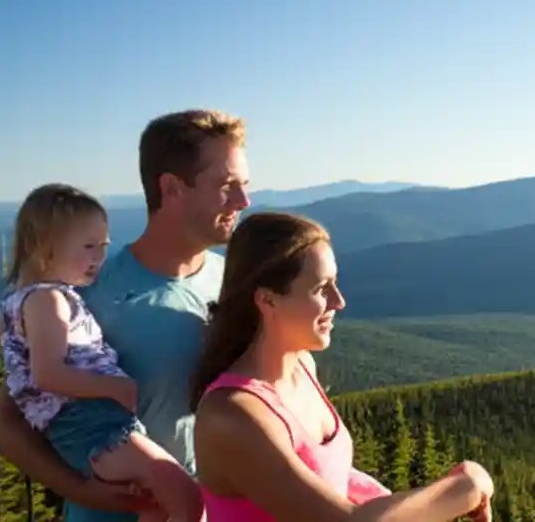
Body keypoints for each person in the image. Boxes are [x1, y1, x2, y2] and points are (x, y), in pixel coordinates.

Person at [0, 109, 252, 522]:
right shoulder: (80, 290)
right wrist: (83, 492)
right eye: (226, 185)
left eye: (244, 186)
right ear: (172, 188)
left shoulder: (234, 279)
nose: (243, 201)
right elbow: (5, 420)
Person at [190, 211, 495, 522]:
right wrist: (465, 487)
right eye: (321, 288)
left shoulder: (302, 367)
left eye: (334, 284)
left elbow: (331, 477)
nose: (339, 301)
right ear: (267, 300)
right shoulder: (231, 415)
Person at [0, 183, 202, 522]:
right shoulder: (49, 300)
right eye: (88, 246)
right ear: (44, 248)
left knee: (154, 503)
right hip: (91, 420)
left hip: (87, 421)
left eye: (103, 246)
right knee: (183, 494)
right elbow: (48, 374)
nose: (99, 257)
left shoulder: (21, 300)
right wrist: (115, 387)